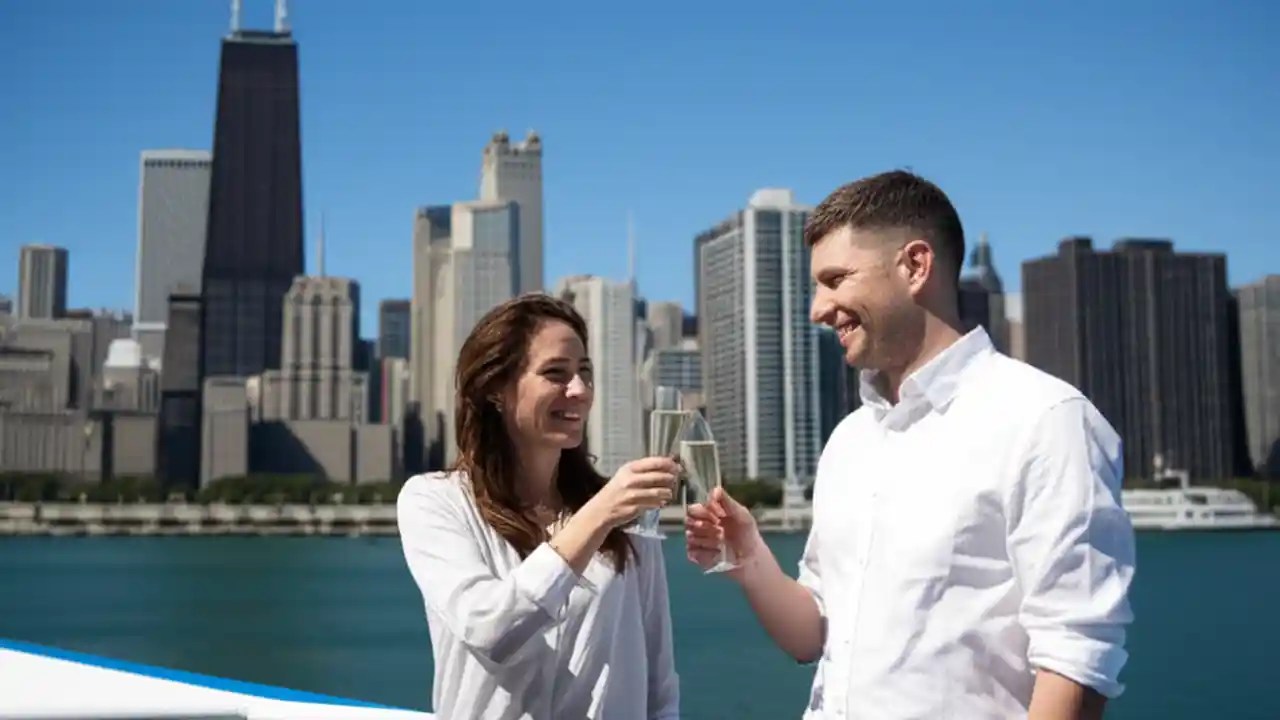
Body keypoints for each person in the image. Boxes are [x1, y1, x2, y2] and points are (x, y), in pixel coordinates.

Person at [686, 170, 1136, 719]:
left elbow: (1075, 663)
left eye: (836, 279)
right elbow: (814, 638)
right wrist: (748, 556)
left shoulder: (1045, 421)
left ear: (915, 265)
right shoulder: (849, 440)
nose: (818, 309)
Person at [398, 293, 681, 720]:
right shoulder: (434, 501)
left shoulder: (626, 513)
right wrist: (598, 514)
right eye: (556, 374)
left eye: (585, 372)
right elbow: (492, 629)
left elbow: (659, 681)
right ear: (495, 388)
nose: (580, 390)